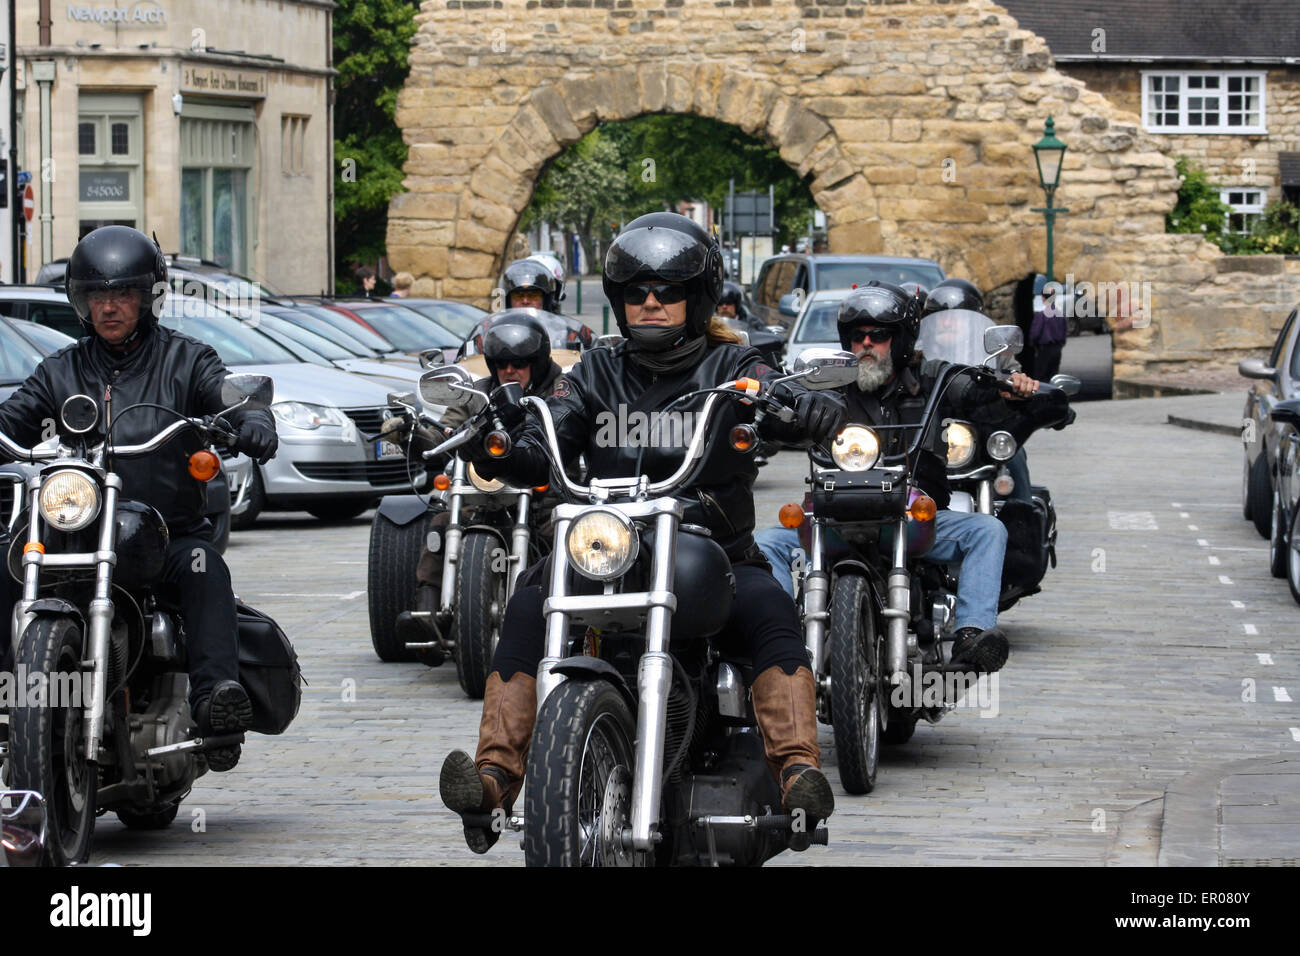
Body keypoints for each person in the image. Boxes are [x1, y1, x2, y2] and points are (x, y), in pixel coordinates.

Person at [438, 213, 845, 853]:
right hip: (608, 545)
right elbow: (547, 443)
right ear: (619, 301)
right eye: (636, 292)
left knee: (770, 613)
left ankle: (796, 772)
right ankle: (493, 778)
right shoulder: (595, 372)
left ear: (700, 297)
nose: (650, 302)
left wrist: (809, 411)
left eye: (667, 290)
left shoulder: (734, 365)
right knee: (526, 602)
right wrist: (498, 452)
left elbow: (779, 403)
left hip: (713, 546)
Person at [0, 226, 279, 771]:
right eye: (96, 296)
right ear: (79, 302)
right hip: (73, 531)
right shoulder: (61, 369)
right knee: (4, 556)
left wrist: (250, 419)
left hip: (166, 534)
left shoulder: (186, 359)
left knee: (205, 568)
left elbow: (225, 394)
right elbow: (13, 419)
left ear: (148, 296)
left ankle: (215, 698)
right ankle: (13, 694)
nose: (109, 308)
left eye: (122, 294)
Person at [755, 281, 1040, 675]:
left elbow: (978, 398)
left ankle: (971, 635)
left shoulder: (935, 379)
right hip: (834, 519)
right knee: (766, 541)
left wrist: (1013, 391)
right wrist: (779, 409)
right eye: (858, 336)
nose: (867, 344)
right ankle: (783, 641)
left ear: (902, 339)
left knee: (987, 531)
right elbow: (782, 415)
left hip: (911, 519)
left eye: (880, 335)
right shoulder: (827, 382)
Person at [392, 311, 565, 651]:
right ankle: (430, 616)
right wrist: (410, 435)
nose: (509, 371)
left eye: (519, 363)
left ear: (538, 363)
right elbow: (446, 432)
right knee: (441, 524)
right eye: (502, 364)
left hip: (545, 501)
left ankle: (566, 613)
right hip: (484, 496)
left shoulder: (560, 394)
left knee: (564, 534)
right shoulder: (477, 395)